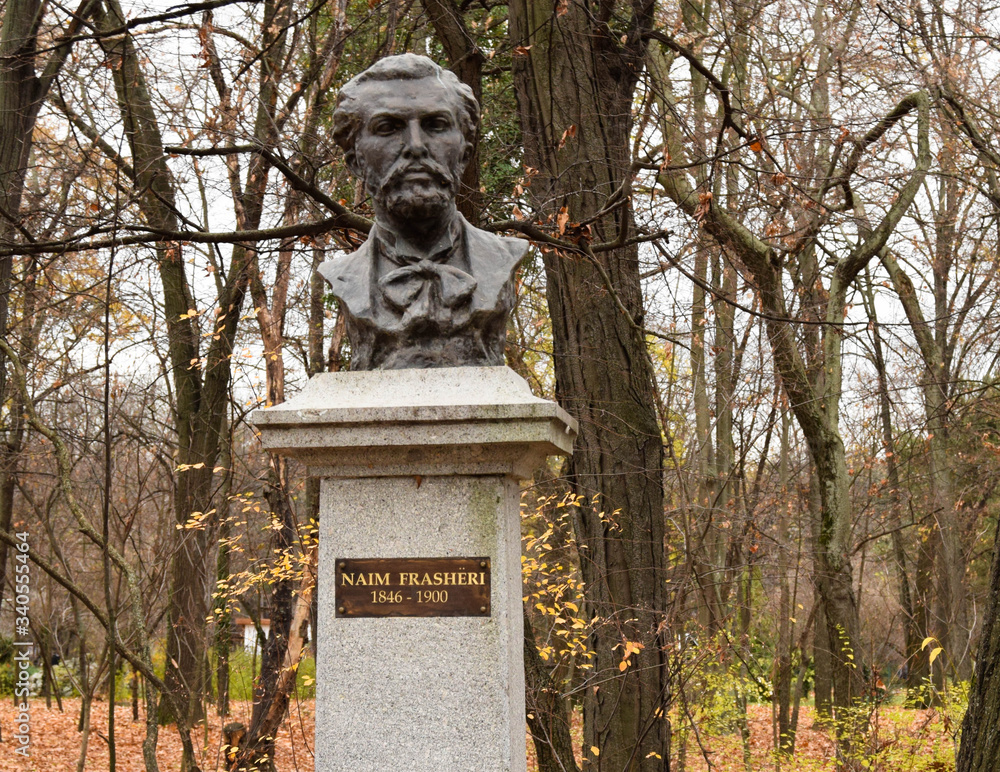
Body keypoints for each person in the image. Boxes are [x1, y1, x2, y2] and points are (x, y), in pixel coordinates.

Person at [320, 53, 527, 370]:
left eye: (436, 125)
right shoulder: (344, 278)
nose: (416, 145)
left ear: (465, 153)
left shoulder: (502, 260)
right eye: (388, 127)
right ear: (354, 159)